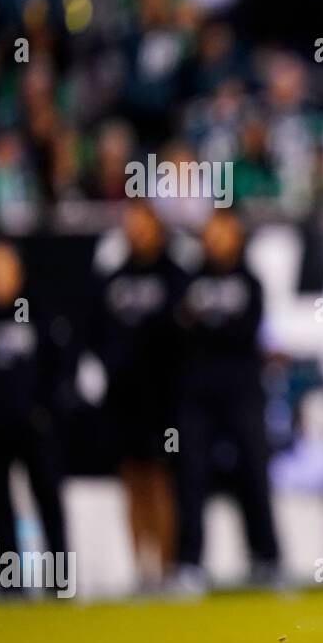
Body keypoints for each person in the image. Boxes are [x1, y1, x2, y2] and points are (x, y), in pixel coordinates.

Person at [170, 209, 280, 592]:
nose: (216, 238)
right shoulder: (187, 279)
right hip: (197, 393)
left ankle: (266, 558)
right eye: (211, 231)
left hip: (242, 392)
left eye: (224, 231)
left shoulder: (250, 279)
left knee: (254, 473)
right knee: (191, 478)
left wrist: (205, 323)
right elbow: (178, 330)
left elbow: (244, 331)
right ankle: (188, 564)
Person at [93, 200, 186, 589]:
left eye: (143, 222)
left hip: (162, 395)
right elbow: (95, 329)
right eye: (131, 223)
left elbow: (184, 333)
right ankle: (141, 570)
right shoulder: (113, 277)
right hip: (124, 395)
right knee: (132, 480)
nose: (136, 230)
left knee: (161, 479)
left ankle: (166, 568)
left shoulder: (174, 274)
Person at [0, 240, 68, 565]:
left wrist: (45, 409)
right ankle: (7, 581)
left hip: (34, 424)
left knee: (48, 498)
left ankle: (60, 581)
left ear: (19, 273)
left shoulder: (38, 313)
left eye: (4, 268)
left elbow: (59, 366)